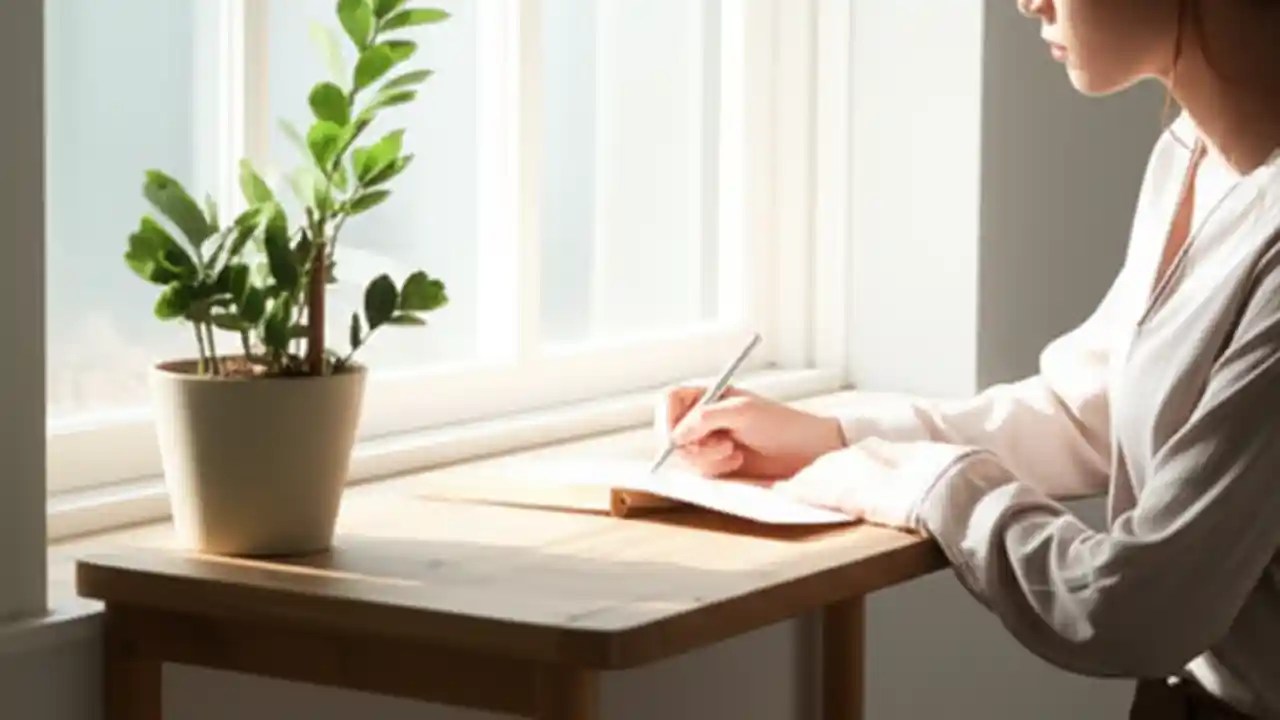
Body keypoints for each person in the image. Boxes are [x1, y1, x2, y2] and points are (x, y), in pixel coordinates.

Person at [659, 1, 1280, 717]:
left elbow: (1136, 607)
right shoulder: (1192, 154)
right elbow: (1089, 411)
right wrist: (834, 441)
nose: (1027, 1)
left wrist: (934, 485)